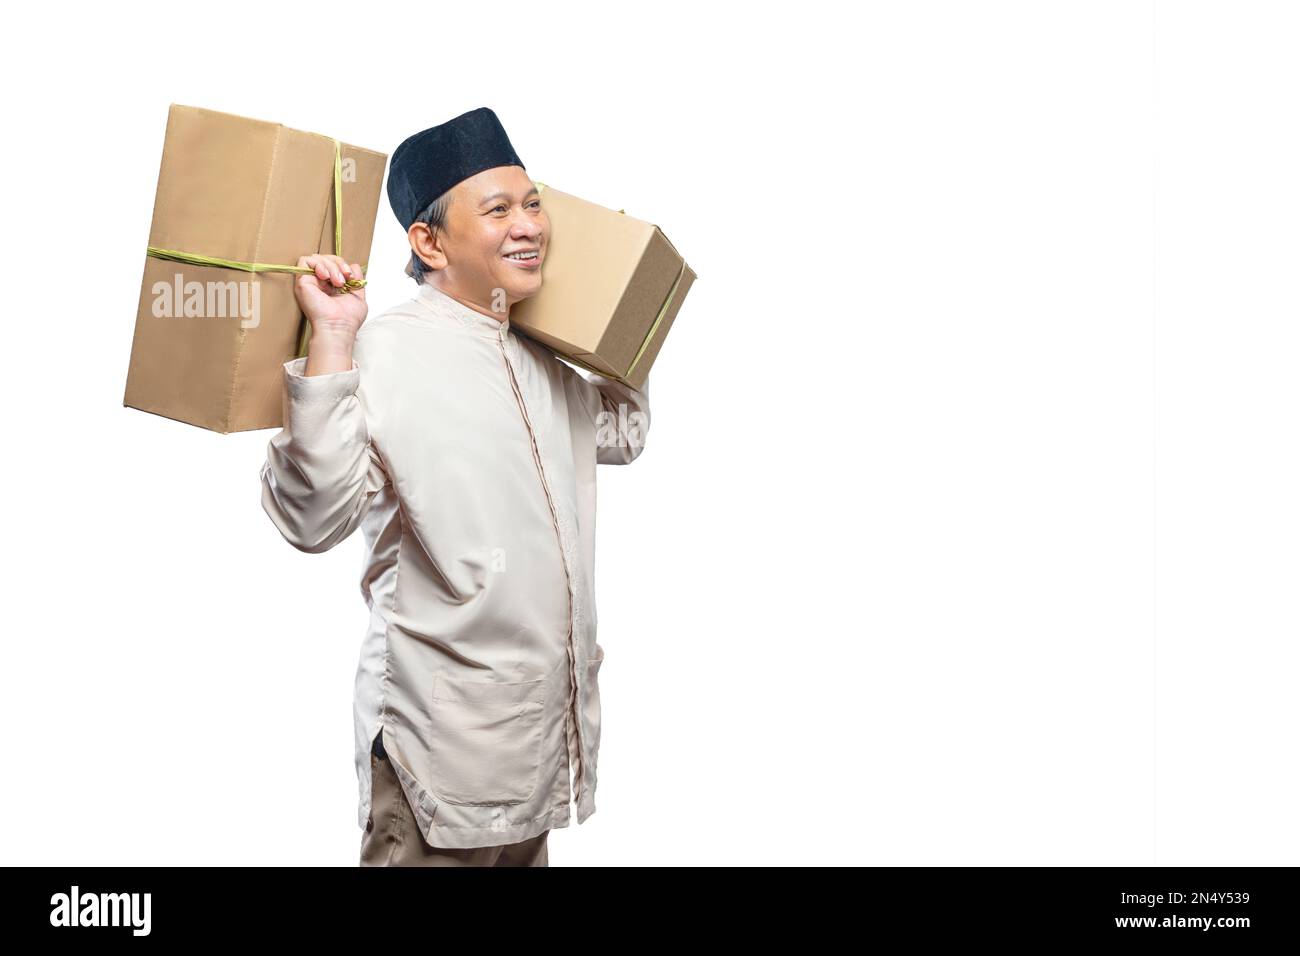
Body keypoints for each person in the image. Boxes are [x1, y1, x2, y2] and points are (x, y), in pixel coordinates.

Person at [259, 107, 651, 866]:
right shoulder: (384, 353)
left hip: (539, 748)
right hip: (437, 754)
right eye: (498, 209)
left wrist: (621, 309)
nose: (528, 225)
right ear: (428, 241)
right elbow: (312, 519)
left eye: (533, 203)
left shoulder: (540, 358)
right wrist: (331, 340)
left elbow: (621, 435)